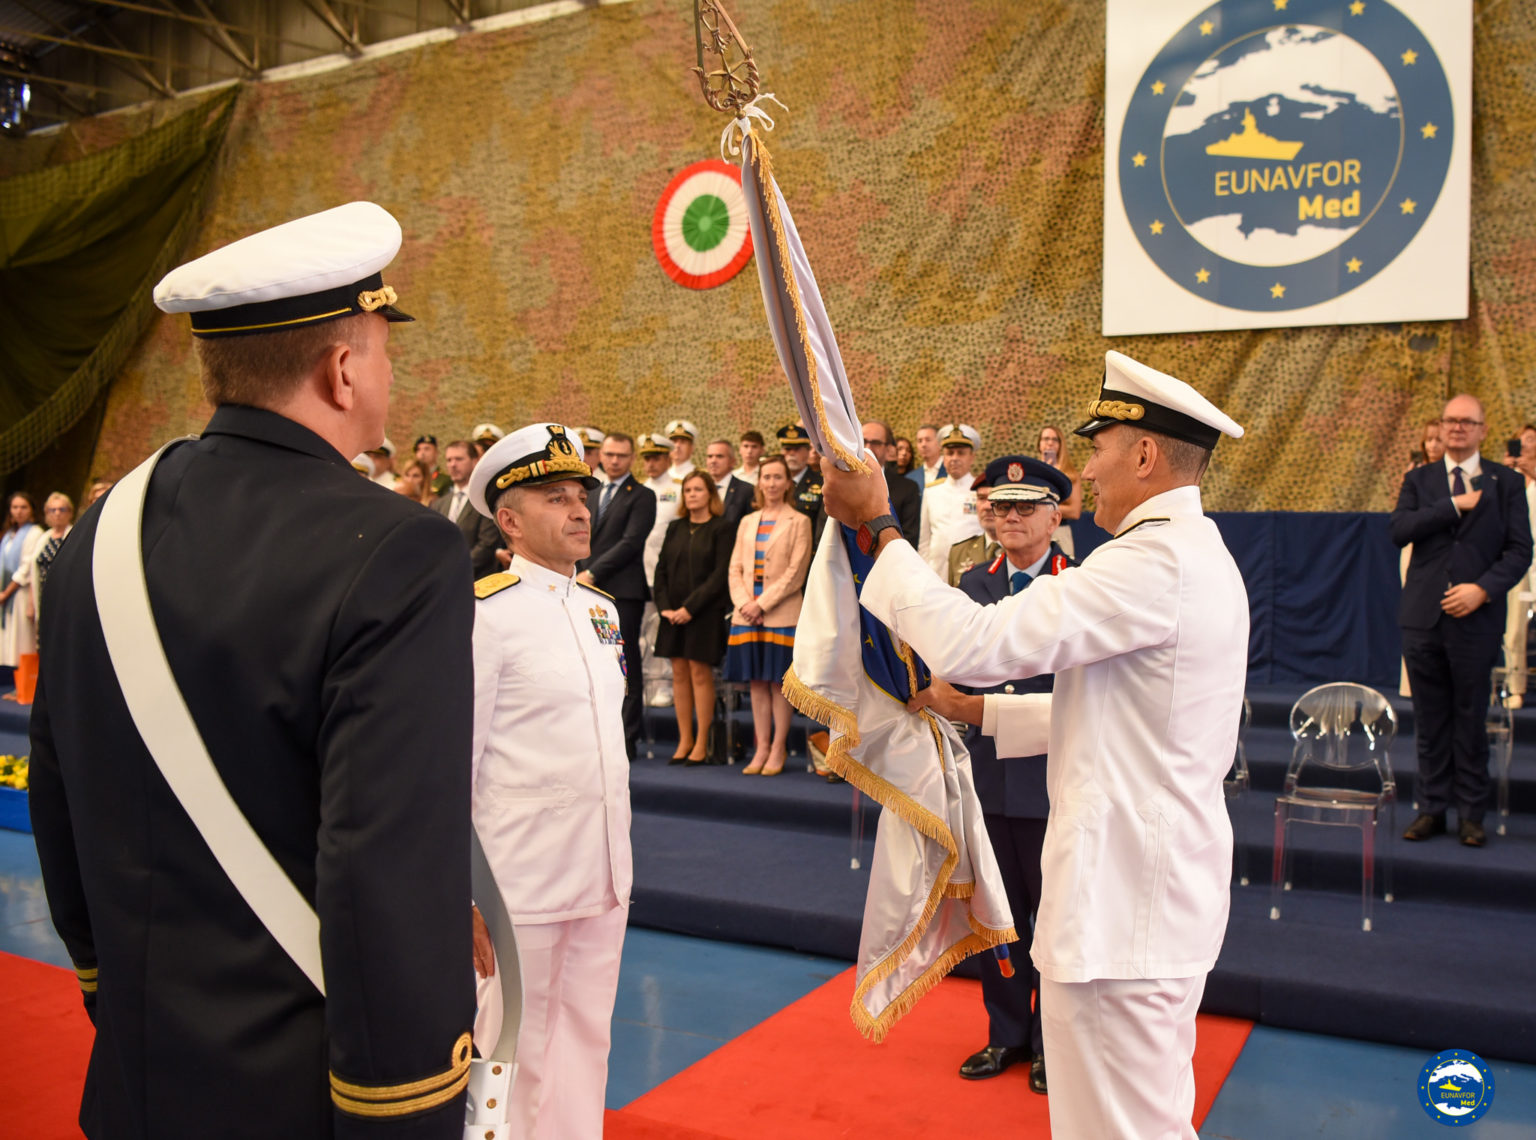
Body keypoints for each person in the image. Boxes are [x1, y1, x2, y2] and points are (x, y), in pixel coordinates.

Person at [28, 201, 474, 1137]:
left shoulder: (100, 534)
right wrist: (404, 1110)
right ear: (342, 369)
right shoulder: (401, 553)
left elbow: (57, 791)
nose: (390, 370)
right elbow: (385, 872)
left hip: (137, 1083)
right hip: (298, 1099)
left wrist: (119, 995)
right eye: (383, 347)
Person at [821, 349, 1248, 1140]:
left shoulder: (1149, 562)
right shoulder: (1199, 555)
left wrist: (878, 525)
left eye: (1099, 450)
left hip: (1123, 904)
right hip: (1144, 892)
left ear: (1145, 455)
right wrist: (987, 720)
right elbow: (1128, 720)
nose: (1088, 472)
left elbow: (977, 644)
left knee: (1120, 1129)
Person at [465, 422, 630, 1140]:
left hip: (601, 867)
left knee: (587, 1038)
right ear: (509, 520)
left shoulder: (602, 612)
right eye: (554, 497)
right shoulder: (483, 615)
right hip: (516, 876)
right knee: (511, 1048)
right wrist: (459, 889)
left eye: (581, 496)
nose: (578, 510)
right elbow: (454, 760)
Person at [949, 457, 1074, 1094]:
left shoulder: (1079, 583)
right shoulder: (972, 583)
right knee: (998, 914)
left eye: (1028, 506)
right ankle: (1006, 1035)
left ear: (1057, 515)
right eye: (1003, 506)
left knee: (1052, 916)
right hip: (990, 775)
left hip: (1052, 776)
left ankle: (1054, 1043)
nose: (1014, 517)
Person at [1393, 394, 1533, 848]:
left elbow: (1519, 551)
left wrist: (1483, 590)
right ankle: (1431, 808)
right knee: (1430, 720)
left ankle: (1472, 814)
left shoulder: (1507, 482)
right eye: (1450, 420)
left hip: (1477, 619)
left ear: (1482, 430)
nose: (1456, 428)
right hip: (1423, 618)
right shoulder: (1419, 479)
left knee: (1471, 719)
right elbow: (1400, 531)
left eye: (1466, 422)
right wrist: (1453, 506)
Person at [723, 456, 812, 776]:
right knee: (756, 684)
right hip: (746, 613)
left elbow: (796, 573)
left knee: (778, 685)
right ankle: (760, 747)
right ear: (759, 481)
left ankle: (778, 748)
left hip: (781, 613)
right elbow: (734, 568)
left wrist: (762, 604)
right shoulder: (748, 521)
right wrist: (745, 603)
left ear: (789, 483)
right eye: (766, 477)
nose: (771, 483)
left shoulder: (799, 521)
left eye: (778, 477)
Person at [577, 431, 657, 758]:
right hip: (585, 590)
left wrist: (592, 571)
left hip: (620, 593)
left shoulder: (642, 495)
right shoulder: (591, 493)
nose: (613, 461)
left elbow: (630, 542)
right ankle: (597, 733)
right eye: (608, 454)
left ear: (631, 458)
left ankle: (627, 736)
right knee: (592, 660)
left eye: (621, 456)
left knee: (622, 663)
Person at [653, 470, 734, 764]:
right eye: (688, 490)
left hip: (702, 613)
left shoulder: (722, 528)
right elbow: (660, 570)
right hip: (672, 613)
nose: (692, 495)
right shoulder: (675, 527)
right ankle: (684, 739)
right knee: (678, 673)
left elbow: (719, 575)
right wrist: (665, 607)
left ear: (710, 494)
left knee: (700, 674)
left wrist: (690, 608)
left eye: (698, 490)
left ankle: (702, 742)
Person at [917, 423, 982, 580]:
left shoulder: (980, 491)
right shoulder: (932, 491)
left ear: (972, 457)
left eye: (961, 453)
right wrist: (925, 573)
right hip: (937, 573)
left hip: (972, 571)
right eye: (949, 453)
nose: (954, 458)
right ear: (943, 457)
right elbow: (925, 540)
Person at [434, 438, 504, 577]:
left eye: (459, 459)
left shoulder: (484, 500)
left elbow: (487, 544)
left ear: (474, 461)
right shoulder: (439, 504)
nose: (453, 465)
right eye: (449, 460)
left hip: (475, 580)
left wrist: (452, 568)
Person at [14, 493, 74, 653]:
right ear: (46, 513)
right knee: (45, 646)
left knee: (64, 645)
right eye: (52, 510)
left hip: (64, 600)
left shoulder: (74, 535)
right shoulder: (44, 538)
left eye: (62, 509)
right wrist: (31, 604)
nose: (57, 513)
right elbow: (34, 571)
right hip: (43, 600)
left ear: (70, 512)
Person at [862, 421, 920, 546]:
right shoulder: (839, 483)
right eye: (863, 441)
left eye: (876, 443)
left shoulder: (907, 488)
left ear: (889, 451)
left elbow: (909, 540)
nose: (868, 448)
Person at [0, 492, 40, 670]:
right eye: (15, 507)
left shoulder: (34, 532)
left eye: (23, 507)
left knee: (23, 641)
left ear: (31, 510)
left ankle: (22, 682)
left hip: (21, 592)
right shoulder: (9, 534)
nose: (19, 511)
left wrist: (6, 592)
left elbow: (27, 566)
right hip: (5, 592)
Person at [1038, 424, 1084, 557]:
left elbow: (1075, 512)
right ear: (1039, 444)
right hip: (1036, 531)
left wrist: (1042, 507)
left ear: (1060, 444)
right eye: (1046, 439)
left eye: (1055, 439)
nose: (1050, 443)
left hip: (1060, 531)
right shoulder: (1032, 473)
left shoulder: (1070, 474)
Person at [947, 482, 1000, 586]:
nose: (987, 506)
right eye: (981, 498)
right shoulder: (959, 552)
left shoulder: (1022, 551)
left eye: (995, 498)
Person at [779, 423, 824, 533]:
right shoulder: (773, 482)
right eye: (787, 449)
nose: (792, 454)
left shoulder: (821, 482)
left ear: (808, 452)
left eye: (797, 449)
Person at [706, 438, 754, 527]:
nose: (713, 461)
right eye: (710, 456)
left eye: (719, 456)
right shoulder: (701, 488)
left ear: (733, 462)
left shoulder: (747, 491)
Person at [911, 423, 945, 491]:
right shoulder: (911, 478)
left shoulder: (952, 472)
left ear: (940, 443)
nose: (923, 444)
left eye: (928, 440)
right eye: (920, 441)